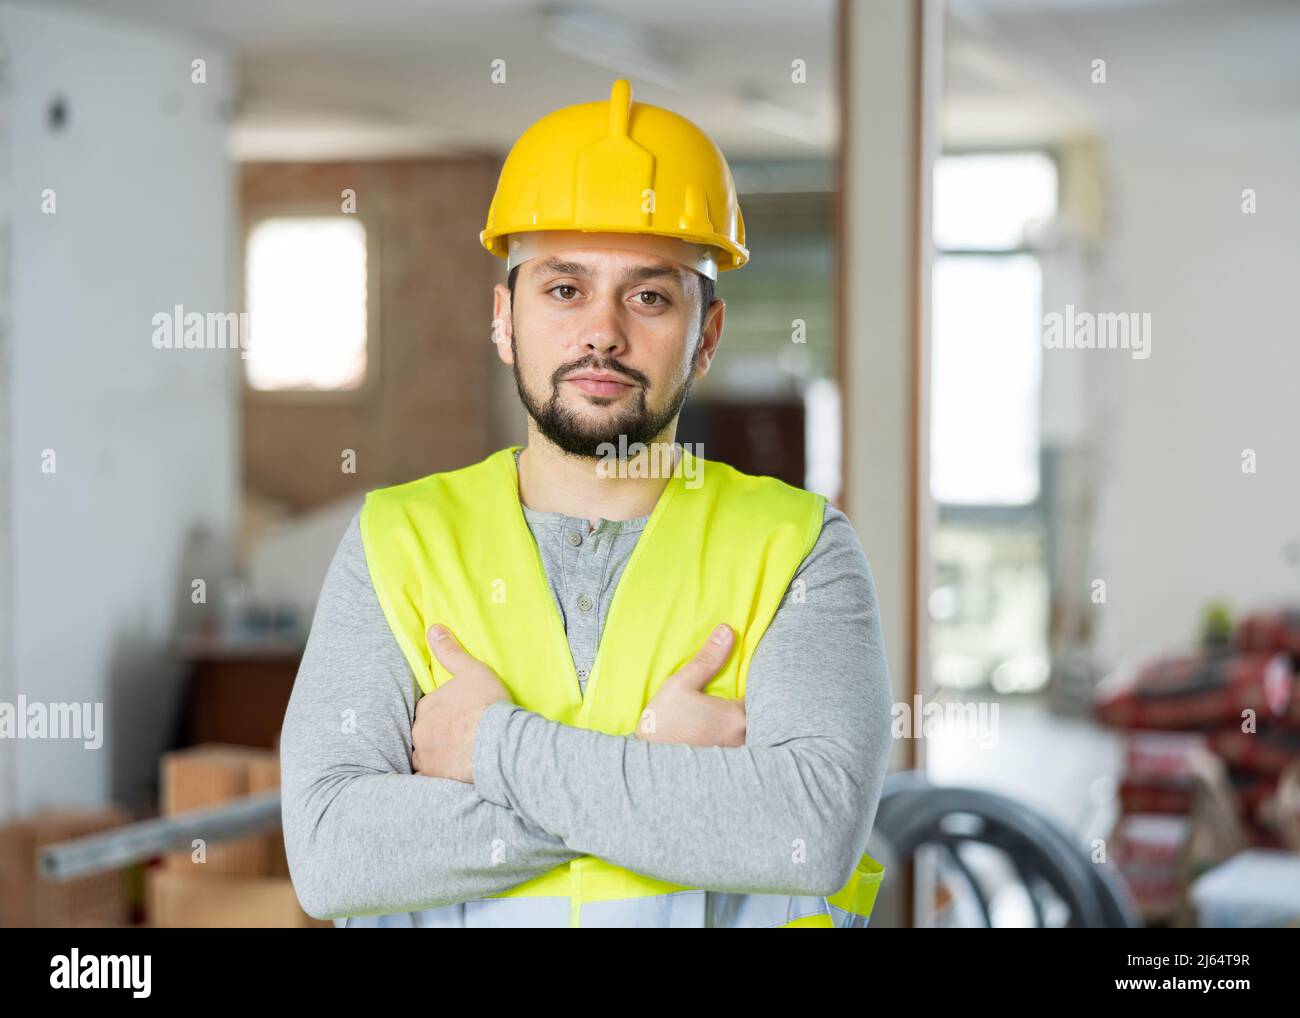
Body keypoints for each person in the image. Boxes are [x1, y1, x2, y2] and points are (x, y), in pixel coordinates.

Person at [281, 79, 892, 928]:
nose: (602, 331)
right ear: (504, 320)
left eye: (649, 295)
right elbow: (333, 853)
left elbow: (809, 829)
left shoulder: (797, 549)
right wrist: (663, 779)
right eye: (564, 289)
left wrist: (492, 748)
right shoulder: (397, 542)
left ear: (706, 334)